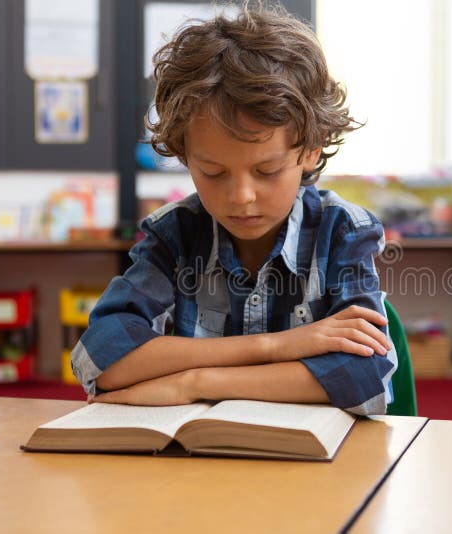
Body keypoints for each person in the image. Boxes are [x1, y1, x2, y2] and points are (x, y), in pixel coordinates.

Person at [71, 2, 397, 415]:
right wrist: (279, 346)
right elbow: (102, 357)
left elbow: (363, 379)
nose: (241, 196)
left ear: (311, 150)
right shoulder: (174, 235)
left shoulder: (343, 232)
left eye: (268, 170)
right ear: (185, 156)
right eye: (212, 172)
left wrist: (195, 383)